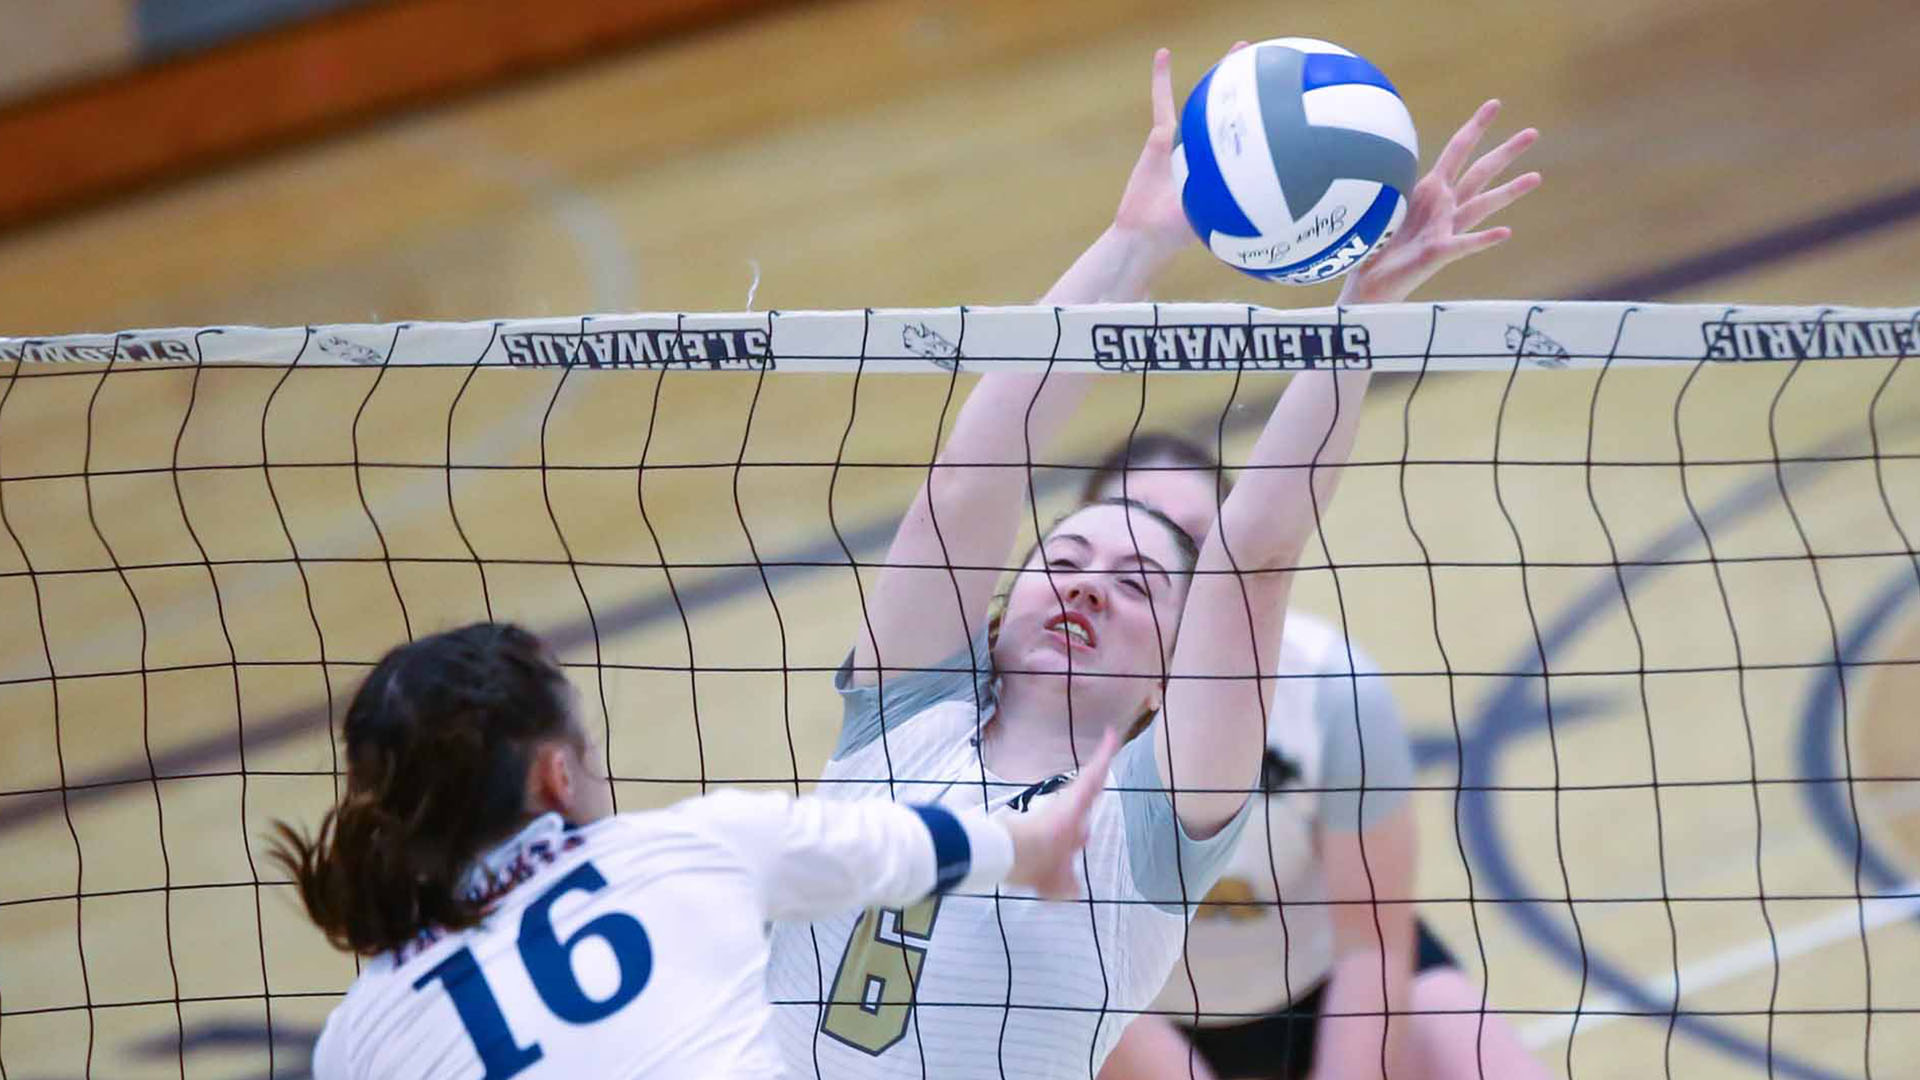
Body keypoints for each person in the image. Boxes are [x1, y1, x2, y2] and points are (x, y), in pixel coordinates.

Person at [765, 46, 1541, 1080]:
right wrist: (1134, 245)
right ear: (999, 606)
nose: (1088, 580)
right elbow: (968, 479)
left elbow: (1254, 554)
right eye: (1068, 554)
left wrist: (1363, 320)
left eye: (1137, 586)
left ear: (1177, 674)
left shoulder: (1152, 824)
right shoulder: (905, 720)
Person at [271, 622, 1120, 1080]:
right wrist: (1037, 845)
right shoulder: (681, 851)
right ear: (557, 777)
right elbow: (897, 845)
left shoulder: (360, 1036)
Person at [1083, 436, 1552, 1080]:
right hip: (1127, 1022)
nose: (1164, 558)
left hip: (1334, 986)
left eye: (1194, 536)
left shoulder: (1330, 686)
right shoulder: (1047, 710)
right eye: (1136, 538)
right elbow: (1071, 965)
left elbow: (1373, 944)